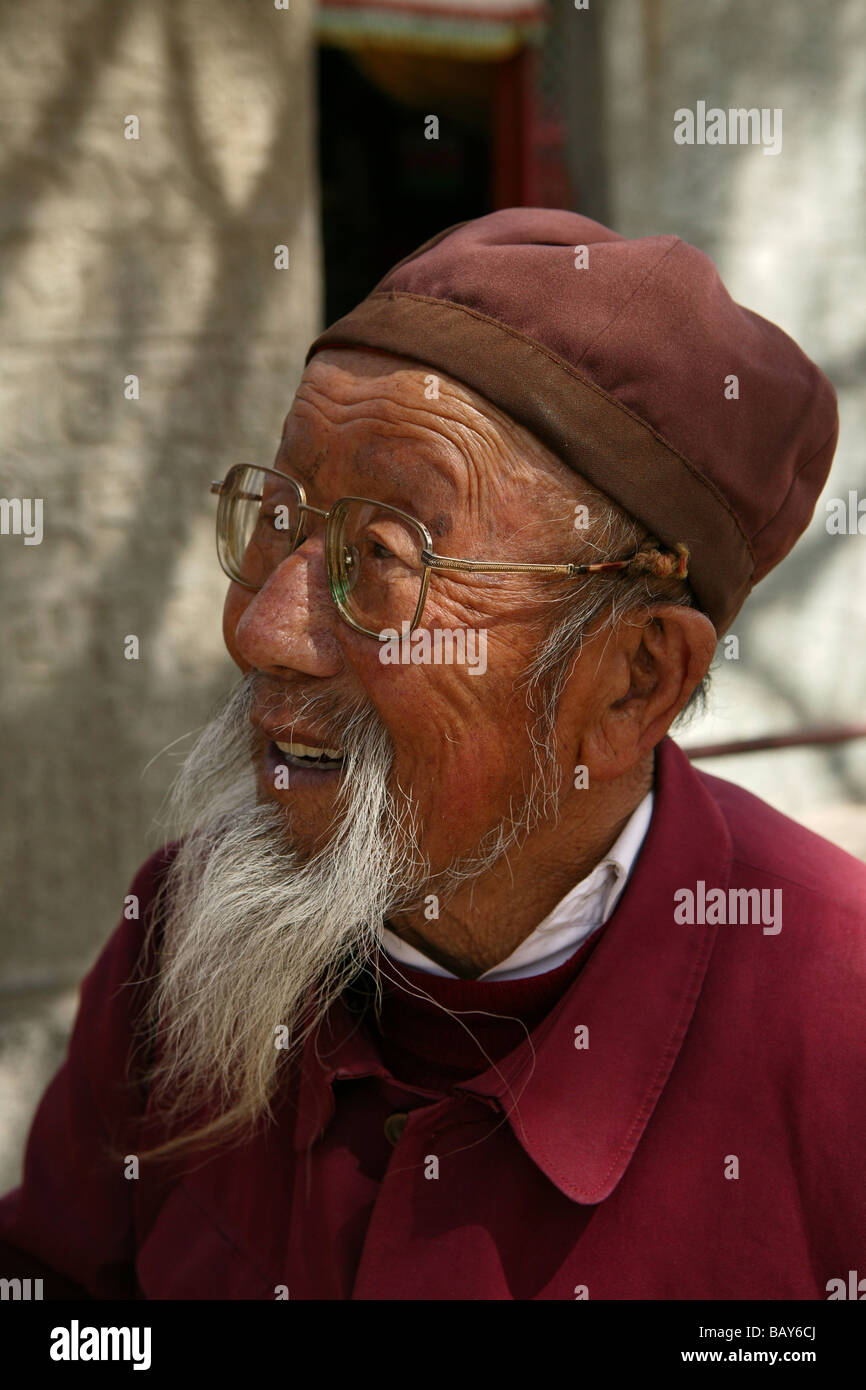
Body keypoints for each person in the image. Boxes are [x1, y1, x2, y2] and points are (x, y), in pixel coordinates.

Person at [1, 208, 863, 1300]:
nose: (262, 629)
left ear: (635, 678)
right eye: (278, 519)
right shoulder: (178, 937)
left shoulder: (837, 1034)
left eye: (381, 555)